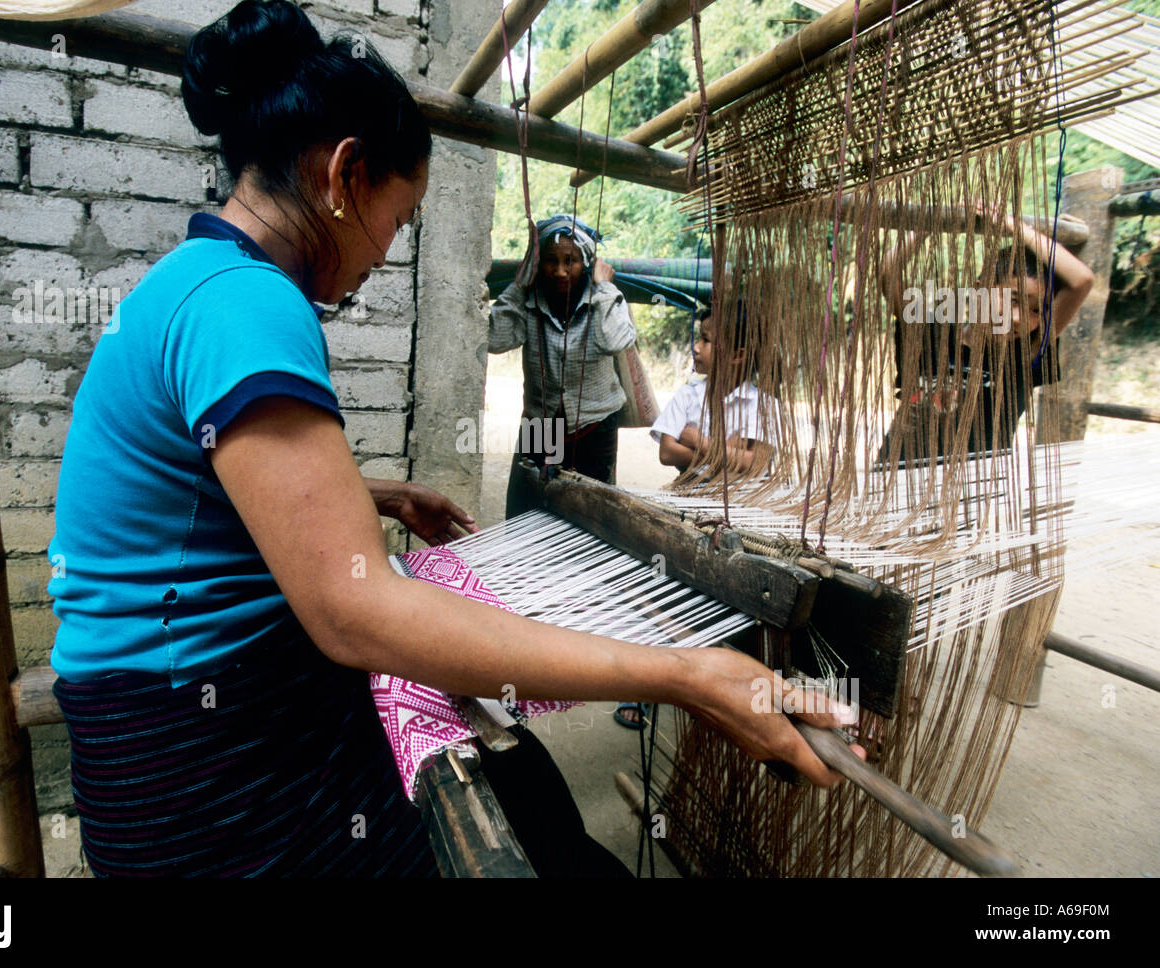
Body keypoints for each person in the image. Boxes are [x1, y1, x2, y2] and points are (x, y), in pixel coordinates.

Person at [46, 0, 858, 879]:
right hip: (205, 767)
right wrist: (683, 674)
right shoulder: (247, 303)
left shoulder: (195, 280)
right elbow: (355, 614)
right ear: (344, 174)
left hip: (170, 730)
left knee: (534, 803)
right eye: (396, 221)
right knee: (527, 843)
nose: (386, 253)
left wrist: (377, 497)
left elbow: (196, 504)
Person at [878, 206, 1093, 462]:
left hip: (979, 486)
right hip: (901, 476)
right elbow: (889, 271)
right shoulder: (931, 334)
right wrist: (930, 224)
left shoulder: (1027, 353)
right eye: (1013, 299)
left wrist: (1015, 226)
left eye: (1036, 310)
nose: (1018, 318)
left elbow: (1081, 280)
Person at [489, 216, 637, 518]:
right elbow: (494, 338)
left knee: (593, 517)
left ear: (586, 262)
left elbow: (617, 340)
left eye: (570, 261)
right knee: (526, 511)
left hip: (595, 426)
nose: (559, 271)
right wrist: (519, 285)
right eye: (550, 261)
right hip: (539, 423)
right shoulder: (529, 302)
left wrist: (604, 287)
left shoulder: (603, 301)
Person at [650, 304, 780, 476]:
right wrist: (729, 452)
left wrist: (700, 442)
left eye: (706, 340)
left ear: (737, 355)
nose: (696, 347)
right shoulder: (687, 395)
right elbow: (667, 453)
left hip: (743, 496)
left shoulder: (764, 405)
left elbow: (754, 463)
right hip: (691, 489)